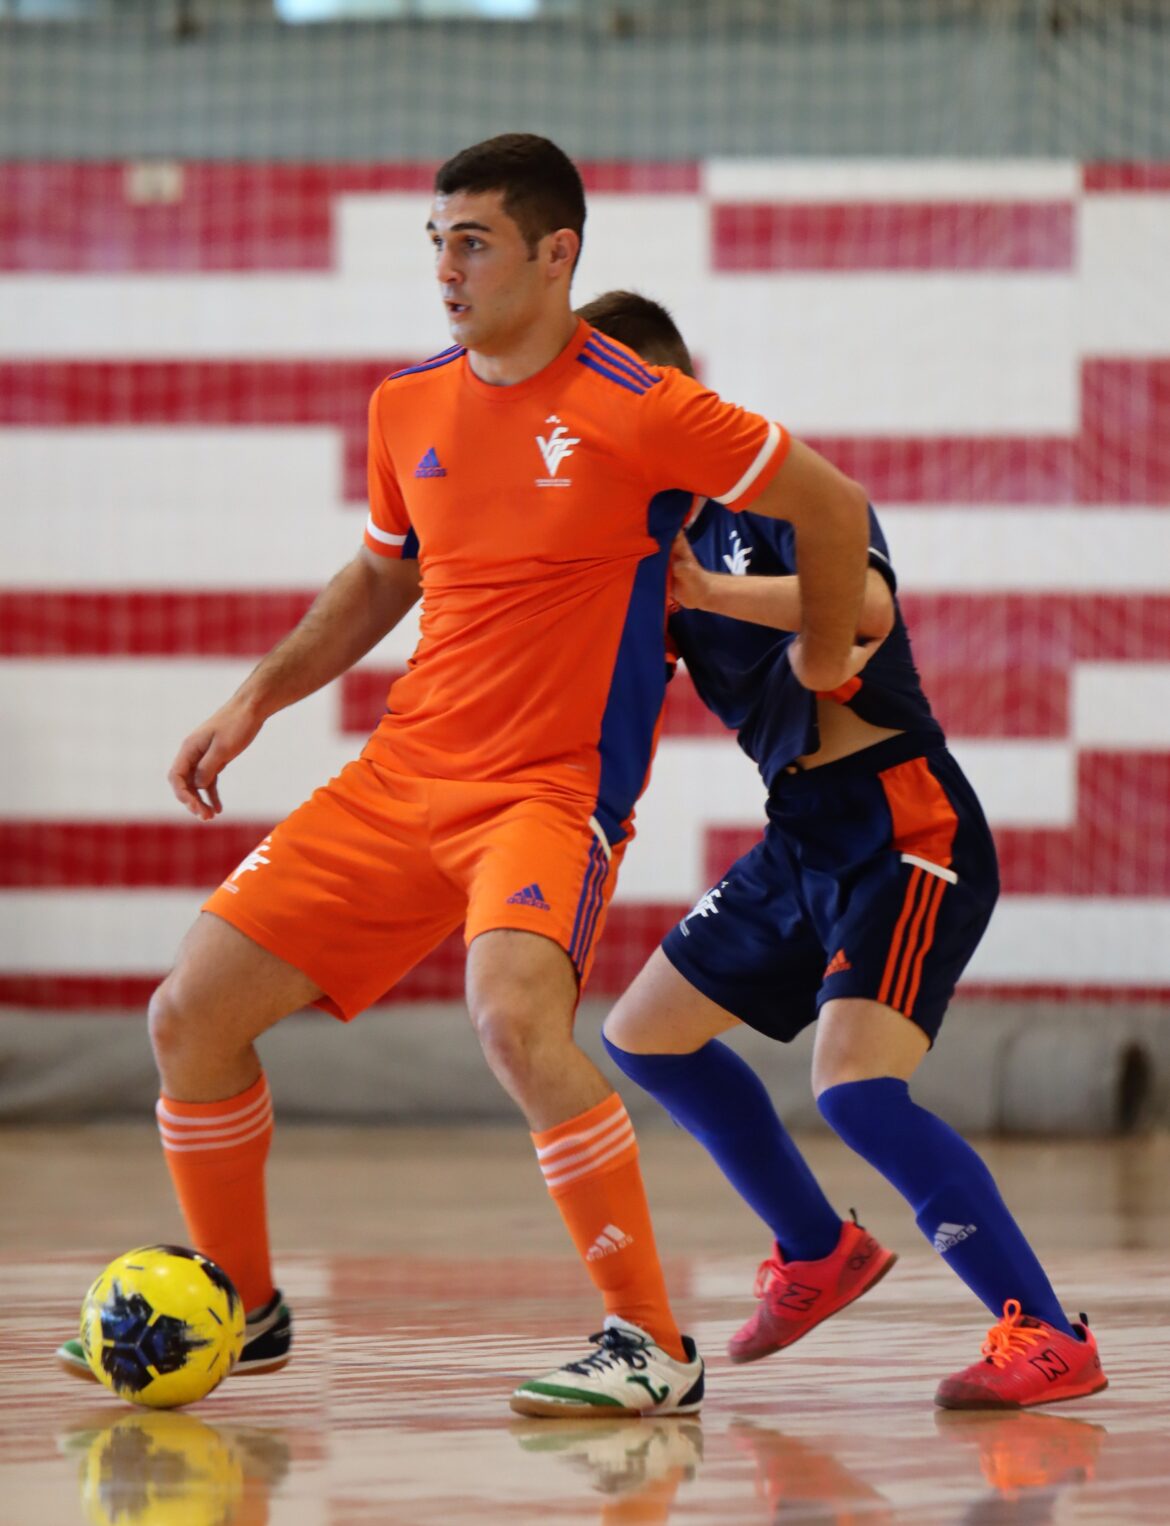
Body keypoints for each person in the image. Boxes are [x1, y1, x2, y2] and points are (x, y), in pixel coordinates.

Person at [56, 136, 873, 1419]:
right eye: (435, 238)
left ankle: (649, 1340)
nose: (445, 265)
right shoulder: (408, 403)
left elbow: (832, 507)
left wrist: (824, 650)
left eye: (474, 239)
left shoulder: (643, 404)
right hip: (402, 775)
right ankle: (251, 1305)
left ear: (559, 254)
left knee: (512, 1023)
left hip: (549, 792)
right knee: (189, 1014)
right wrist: (253, 700)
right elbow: (382, 574)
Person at [578, 290, 1109, 1412]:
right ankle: (817, 1248)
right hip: (802, 830)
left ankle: (1050, 1334)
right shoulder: (641, 529)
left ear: (661, 389)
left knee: (860, 1092)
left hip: (904, 819)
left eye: (599, 393)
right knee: (647, 1034)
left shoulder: (767, 482)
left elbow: (861, 604)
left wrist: (709, 590)